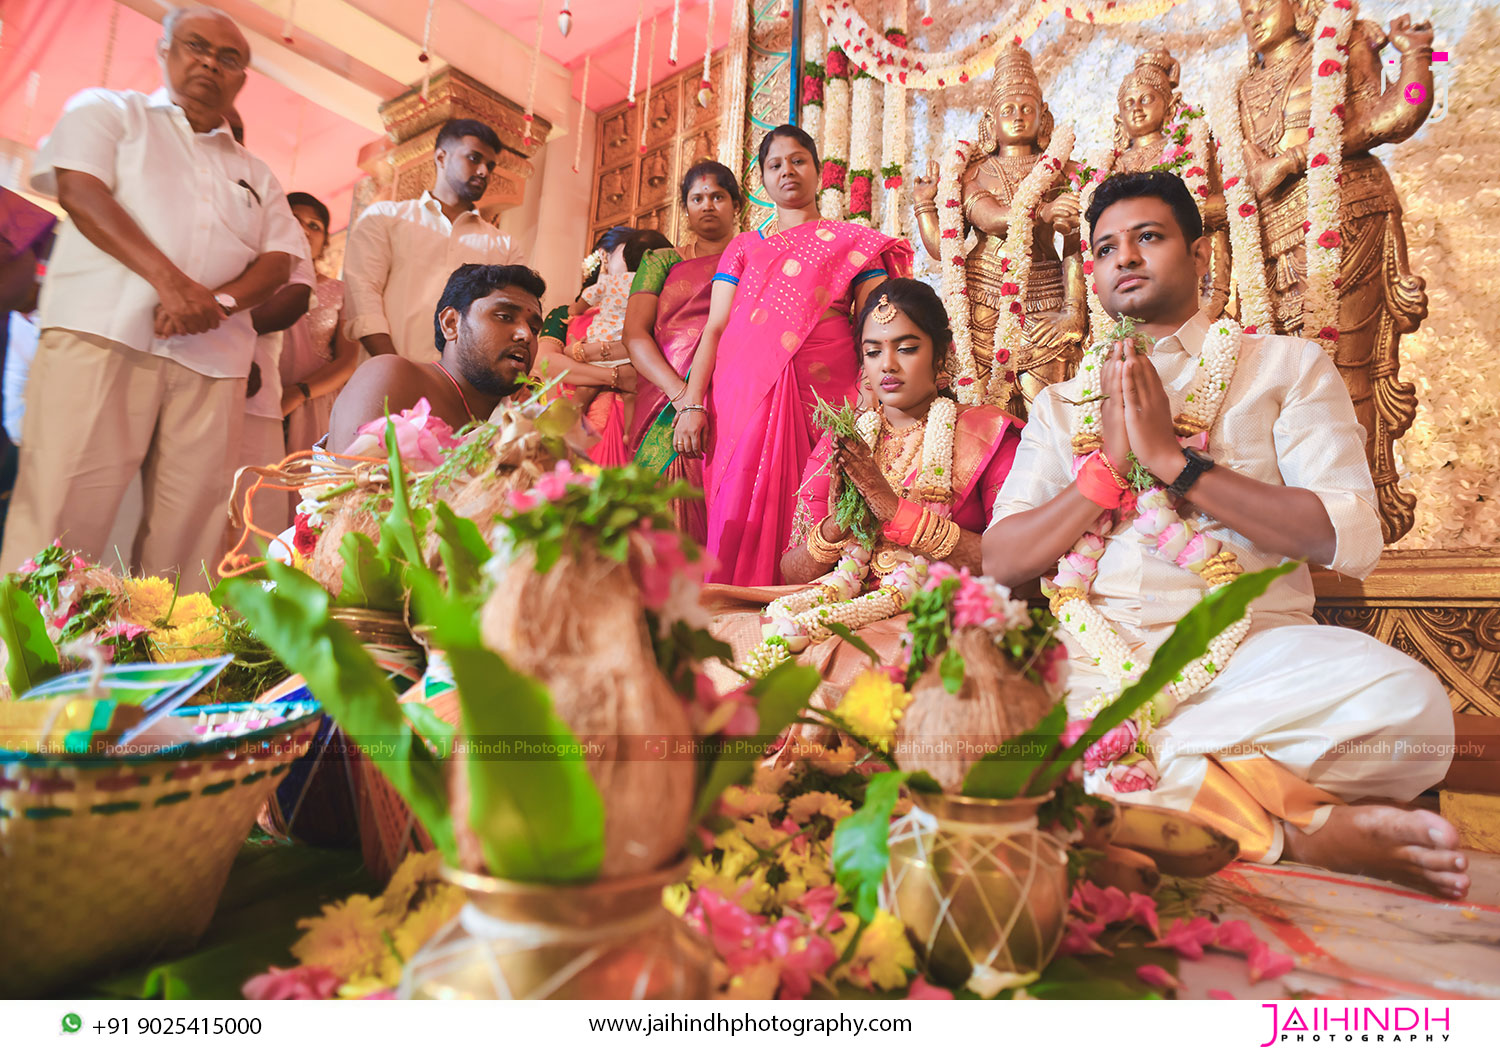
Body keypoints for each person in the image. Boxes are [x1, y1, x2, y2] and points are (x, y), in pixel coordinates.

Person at [983, 171, 1465, 899]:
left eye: (1148, 237)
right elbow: (1000, 559)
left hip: (1247, 661)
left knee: (1408, 708)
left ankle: (1123, 773)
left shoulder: (1285, 367)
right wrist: (1105, 471)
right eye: (1106, 248)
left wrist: (1173, 462)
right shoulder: (1061, 404)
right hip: (1090, 659)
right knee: (963, 728)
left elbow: (1346, 535)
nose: (1125, 258)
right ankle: (1301, 831)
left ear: (1201, 253)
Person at [0, 7, 306, 590]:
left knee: (189, 537)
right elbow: (81, 191)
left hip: (213, 361)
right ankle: (28, 650)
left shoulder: (258, 172)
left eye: (228, 58)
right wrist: (173, 285)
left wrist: (216, 304)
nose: (209, 64)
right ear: (165, 51)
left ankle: (164, 650)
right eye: (196, 46)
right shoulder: (107, 111)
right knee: (61, 516)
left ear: (242, 79)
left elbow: (279, 262)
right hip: (101, 334)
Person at [706, 278, 1022, 698]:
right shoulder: (844, 442)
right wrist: (839, 524)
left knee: (832, 675)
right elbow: (792, 569)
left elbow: (1014, 566)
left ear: (941, 356)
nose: (887, 365)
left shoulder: (988, 434)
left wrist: (892, 508)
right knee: (712, 638)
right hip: (836, 599)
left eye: (906, 348)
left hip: (934, 611)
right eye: (873, 352)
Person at [675, 125, 913, 586]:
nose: (787, 171)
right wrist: (691, 404)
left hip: (829, 396)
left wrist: (870, 391)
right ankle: (733, 605)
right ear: (763, 180)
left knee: (822, 501)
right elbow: (716, 327)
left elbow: (877, 324)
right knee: (742, 497)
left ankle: (812, 604)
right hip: (744, 396)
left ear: (818, 171)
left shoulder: (854, 243)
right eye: (775, 164)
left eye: (798, 160)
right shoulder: (745, 248)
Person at [624, 160, 743, 543]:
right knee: (661, 527)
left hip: (731, 397)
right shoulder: (660, 261)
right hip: (665, 400)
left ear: (736, 205)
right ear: (686, 208)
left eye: (718, 197)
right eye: (697, 198)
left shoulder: (753, 258)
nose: (707, 205)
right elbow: (634, 335)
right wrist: (683, 397)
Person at [341, 118, 522, 364]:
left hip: (463, 385)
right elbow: (362, 294)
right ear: (441, 157)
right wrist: (394, 368)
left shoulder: (505, 247)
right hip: (384, 375)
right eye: (474, 158)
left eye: (490, 166)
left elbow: (509, 317)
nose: (484, 172)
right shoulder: (385, 217)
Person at [326, 263, 544, 453]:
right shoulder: (390, 375)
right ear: (451, 323)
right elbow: (357, 483)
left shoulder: (521, 416)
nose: (525, 335)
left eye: (534, 329)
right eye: (505, 316)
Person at [278, 192, 360, 457]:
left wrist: (297, 394)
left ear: (325, 242)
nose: (303, 229)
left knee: (304, 477)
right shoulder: (257, 282)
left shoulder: (341, 291)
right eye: (294, 219)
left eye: (314, 225)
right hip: (259, 393)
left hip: (313, 402)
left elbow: (347, 361)